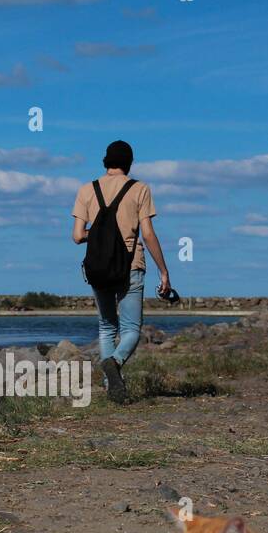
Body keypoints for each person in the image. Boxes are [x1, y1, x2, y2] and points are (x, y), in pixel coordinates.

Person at [71, 140, 172, 403]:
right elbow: (147, 234)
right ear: (129, 163)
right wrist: (164, 271)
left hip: (97, 266)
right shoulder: (139, 189)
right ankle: (114, 363)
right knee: (131, 330)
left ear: (106, 161)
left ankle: (110, 386)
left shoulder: (86, 190)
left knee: (106, 327)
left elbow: (77, 236)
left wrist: (101, 234)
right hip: (131, 264)